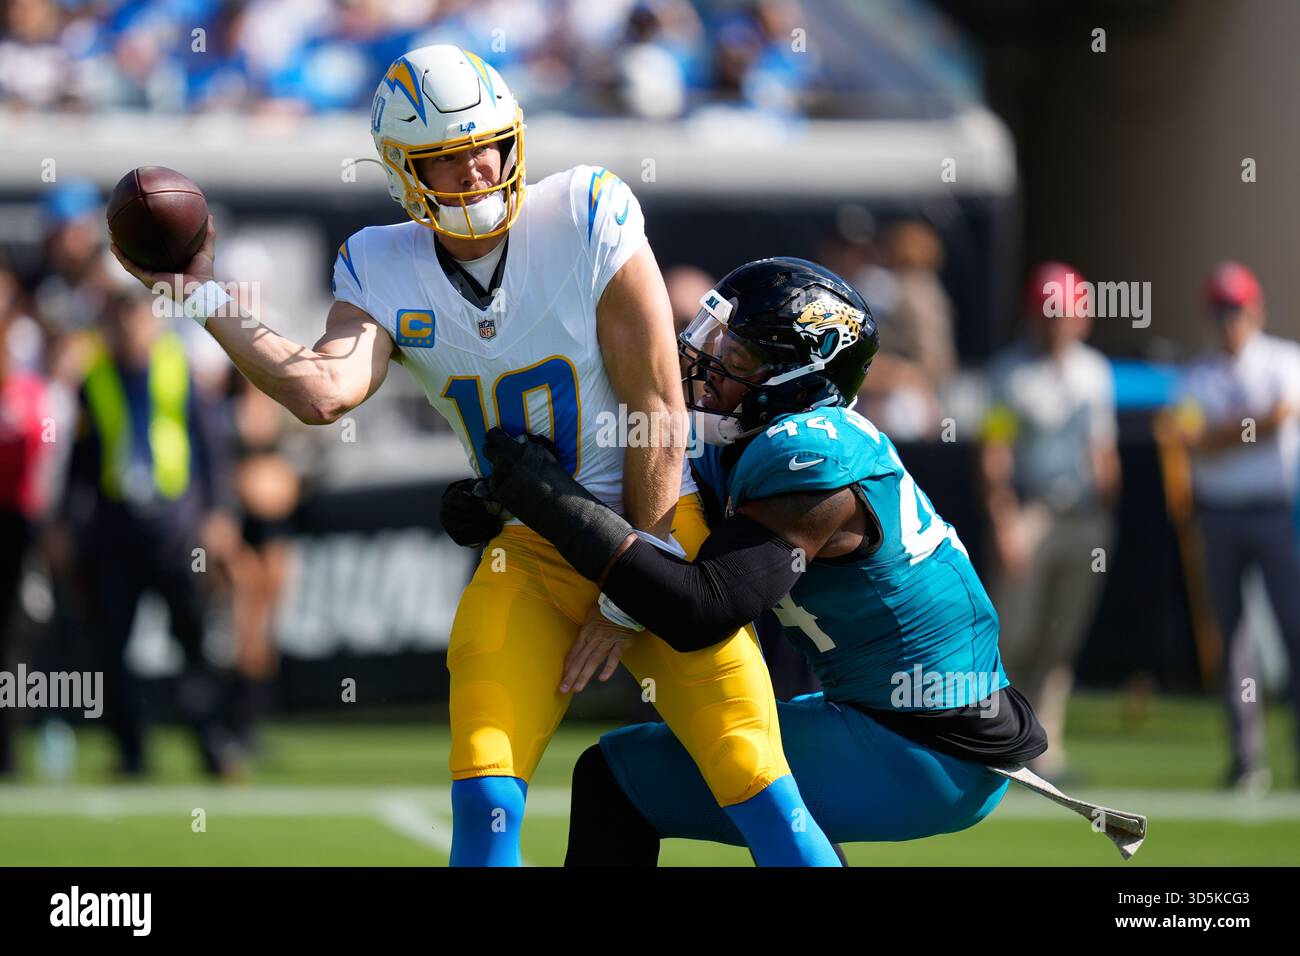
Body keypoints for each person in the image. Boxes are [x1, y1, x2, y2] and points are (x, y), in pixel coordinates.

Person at [112, 45, 835, 867]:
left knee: (760, 790)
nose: (476, 168)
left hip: (661, 535)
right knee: (486, 801)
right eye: (446, 159)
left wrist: (633, 586)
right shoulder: (381, 263)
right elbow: (323, 391)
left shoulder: (588, 211)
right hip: (532, 556)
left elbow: (658, 411)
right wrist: (201, 294)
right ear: (402, 172)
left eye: (486, 143)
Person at [482, 257, 1047, 865]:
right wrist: (497, 503)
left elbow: (700, 608)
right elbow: (643, 493)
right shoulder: (766, 440)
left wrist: (551, 501)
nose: (714, 366)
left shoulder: (808, 457)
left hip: (923, 742)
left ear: (801, 376)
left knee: (620, 778)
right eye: (719, 344)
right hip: (906, 720)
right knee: (760, 800)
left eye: (741, 358)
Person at [52, 292, 240, 777]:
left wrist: (219, 512)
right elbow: (80, 462)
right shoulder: (93, 378)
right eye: (120, 321)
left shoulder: (177, 369)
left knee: (193, 641)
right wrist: (66, 524)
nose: (131, 330)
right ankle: (132, 752)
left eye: (137, 319)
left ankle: (212, 745)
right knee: (113, 646)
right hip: (115, 530)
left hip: (176, 530)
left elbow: (211, 445)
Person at [979, 261, 1120, 782]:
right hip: (1031, 511)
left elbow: (1102, 452)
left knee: (1061, 637)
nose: (1060, 322)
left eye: (1067, 313)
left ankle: (1045, 750)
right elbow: (996, 451)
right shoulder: (1008, 372)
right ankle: (993, 739)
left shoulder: (1095, 372)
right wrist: (1003, 520)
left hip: (1083, 517)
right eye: (1051, 312)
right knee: (1012, 630)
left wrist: (1107, 512)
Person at [1173, 261, 1300, 795]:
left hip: (1274, 511)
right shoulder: (1196, 375)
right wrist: (1247, 427)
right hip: (1220, 515)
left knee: (1294, 630)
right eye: (1222, 311)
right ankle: (1247, 759)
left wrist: (1224, 434)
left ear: (1256, 310)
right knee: (1233, 639)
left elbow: (1281, 416)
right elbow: (1191, 439)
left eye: (1238, 310)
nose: (1230, 321)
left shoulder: (1283, 359)